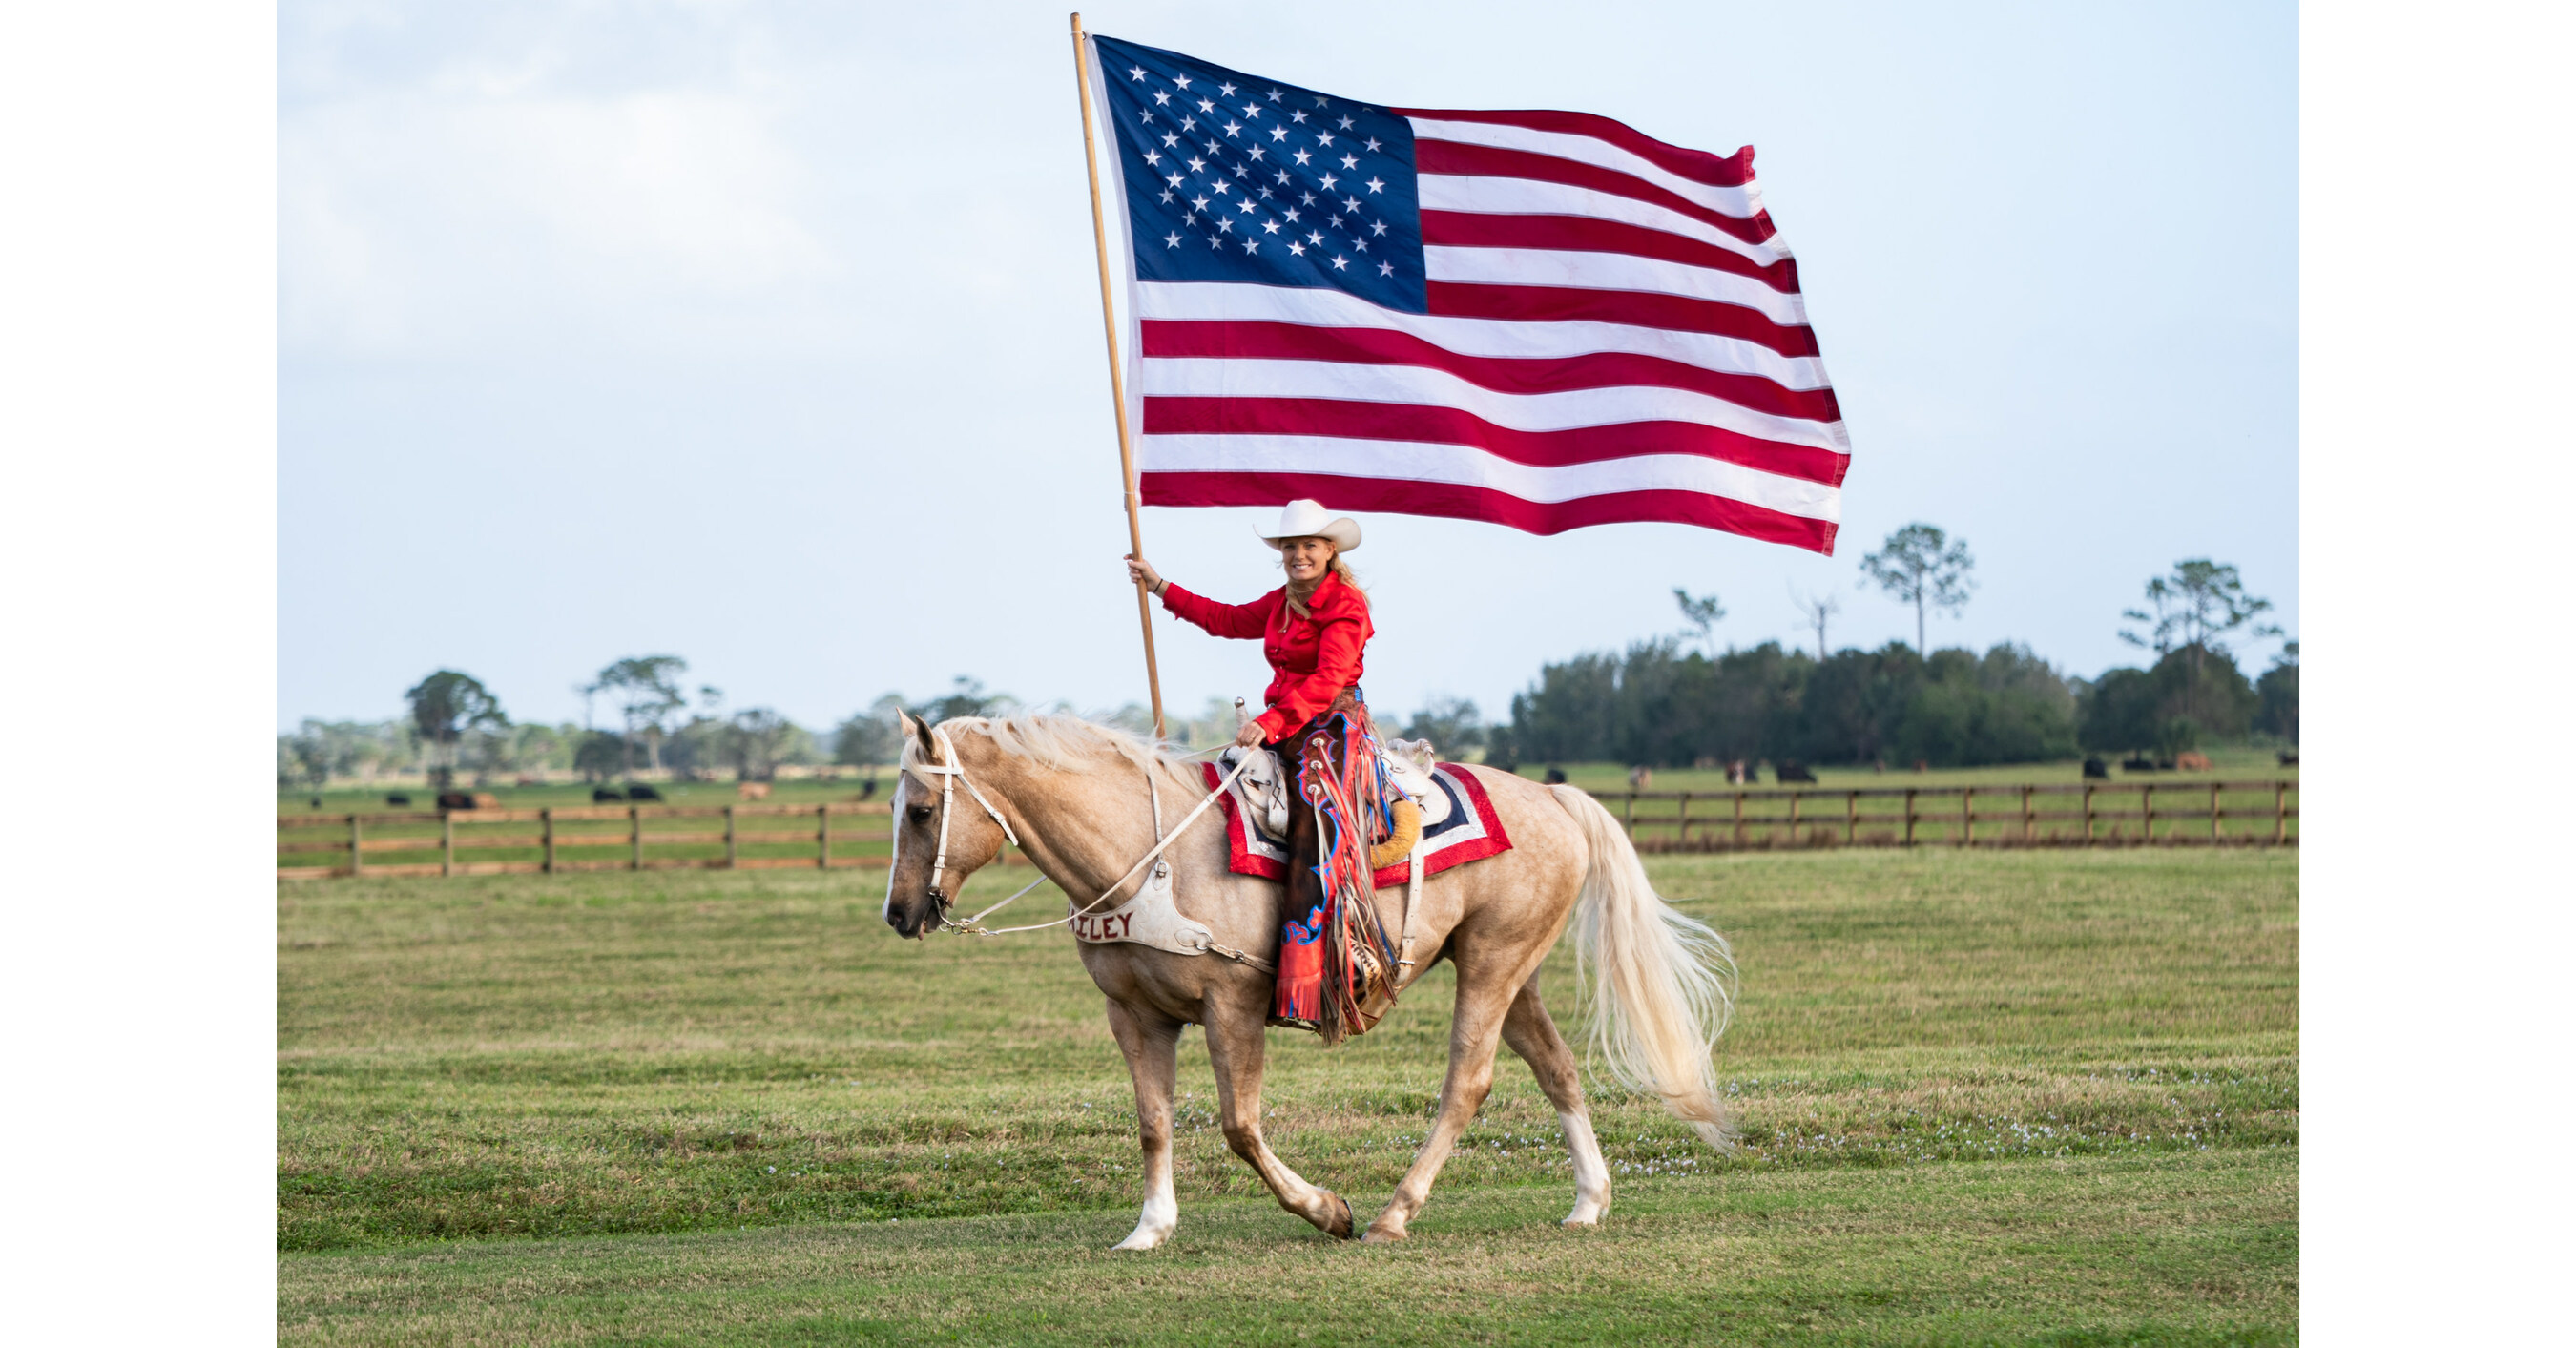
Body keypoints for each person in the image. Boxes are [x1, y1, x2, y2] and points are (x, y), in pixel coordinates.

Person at [1125, 499, 1390, 1035]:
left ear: (1329, 551)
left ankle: (1320, 970)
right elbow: (1224, 619)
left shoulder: (1347, 604)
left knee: (1313, 827)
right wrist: (1159, 587)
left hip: (1331, 729)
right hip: (1285, 727)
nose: (1298, 555)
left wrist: (1272, 722)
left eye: (1308, 546)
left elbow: (1328, 678)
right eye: (1290, 547)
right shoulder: (1282, 603)